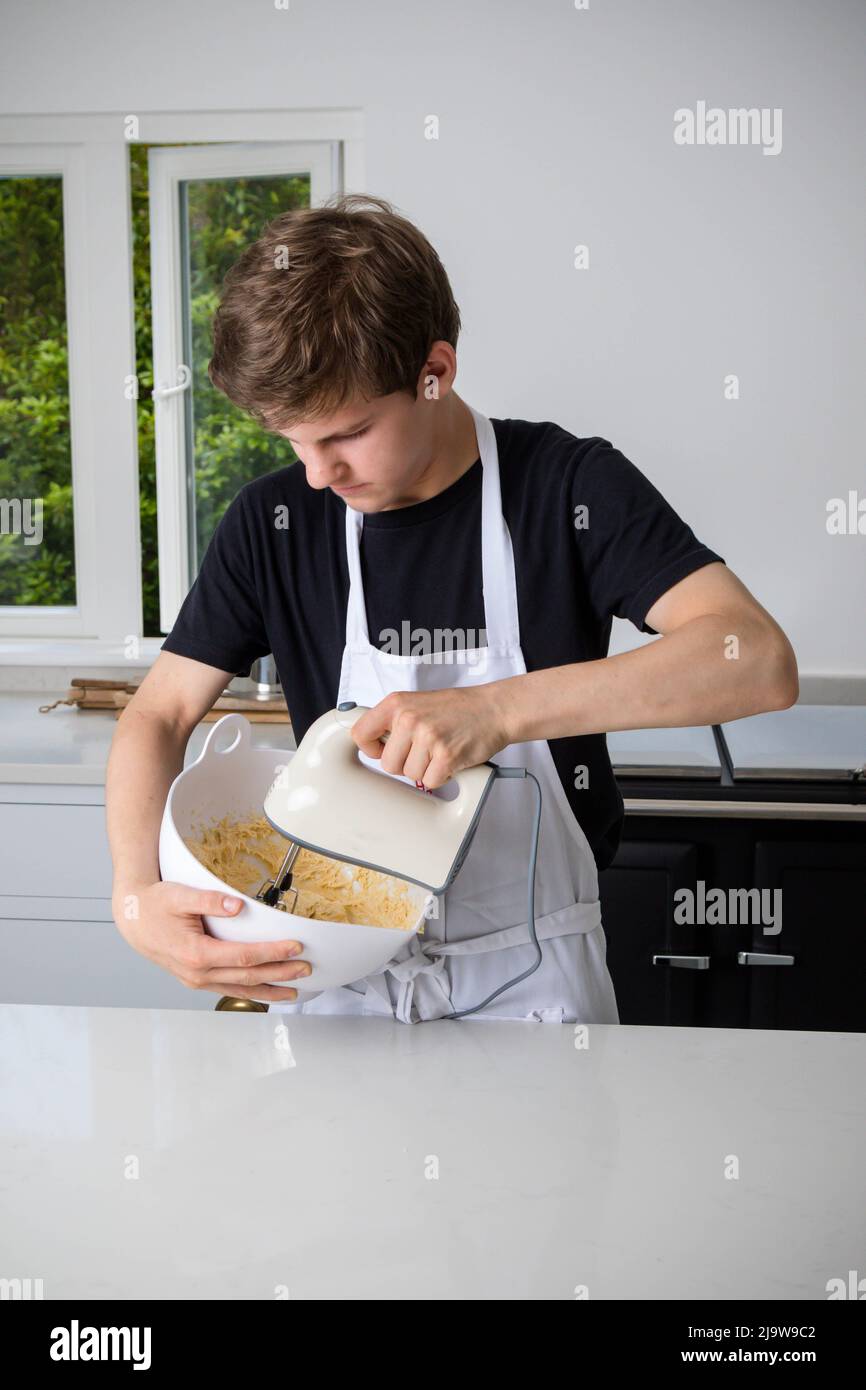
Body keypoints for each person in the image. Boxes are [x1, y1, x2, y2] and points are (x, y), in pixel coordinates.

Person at [106, 194, 798, 1022]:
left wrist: (498, 710)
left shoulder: (566, 486)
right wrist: (136, 899)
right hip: (333, 979)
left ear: (435, 370)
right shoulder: (273, 521)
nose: (319, 473)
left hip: (536, 983)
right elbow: (157, 716)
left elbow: (755, 658)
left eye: (348, 434)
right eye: (290, 438)